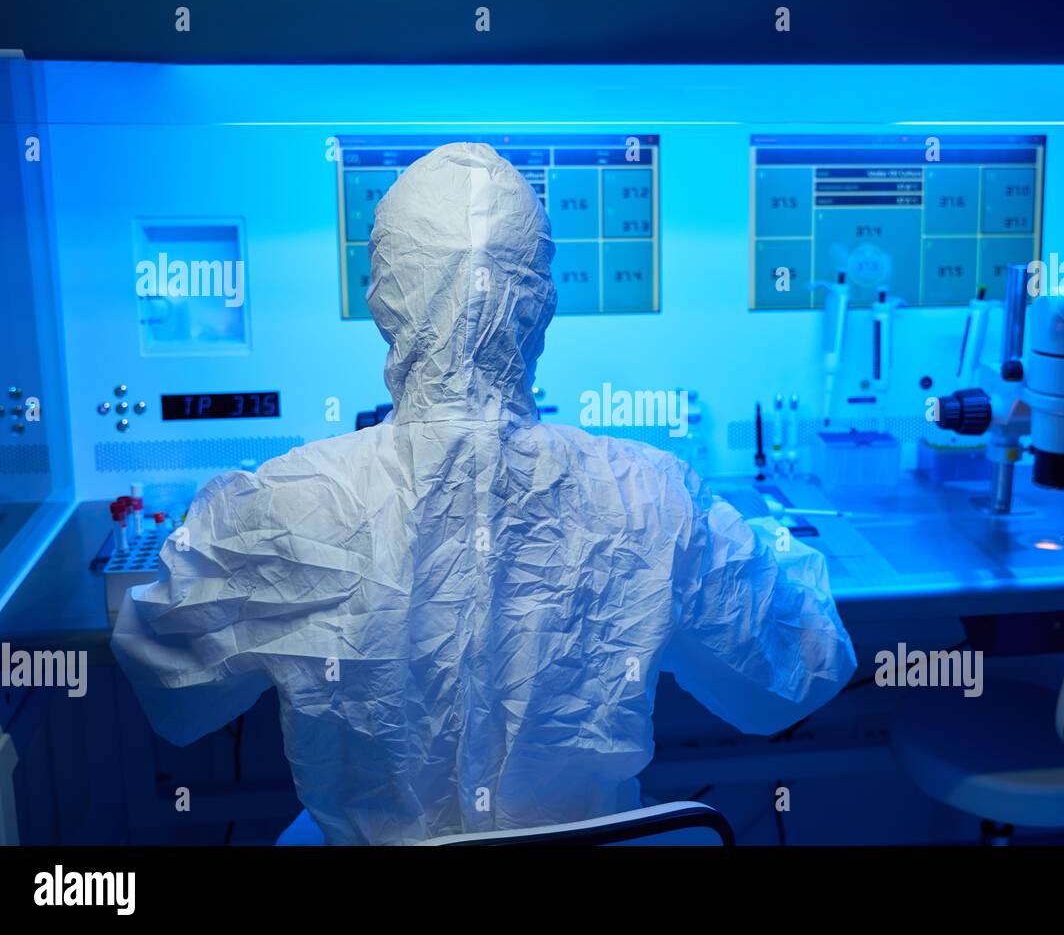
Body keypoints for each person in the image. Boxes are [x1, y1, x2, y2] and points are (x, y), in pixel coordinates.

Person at [112, 142, 857, 845]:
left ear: (384, 300)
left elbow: (167, 683)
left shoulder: (280, 504)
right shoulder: (652, 495)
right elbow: (798, 671)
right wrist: (763, 542)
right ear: (540, 306)